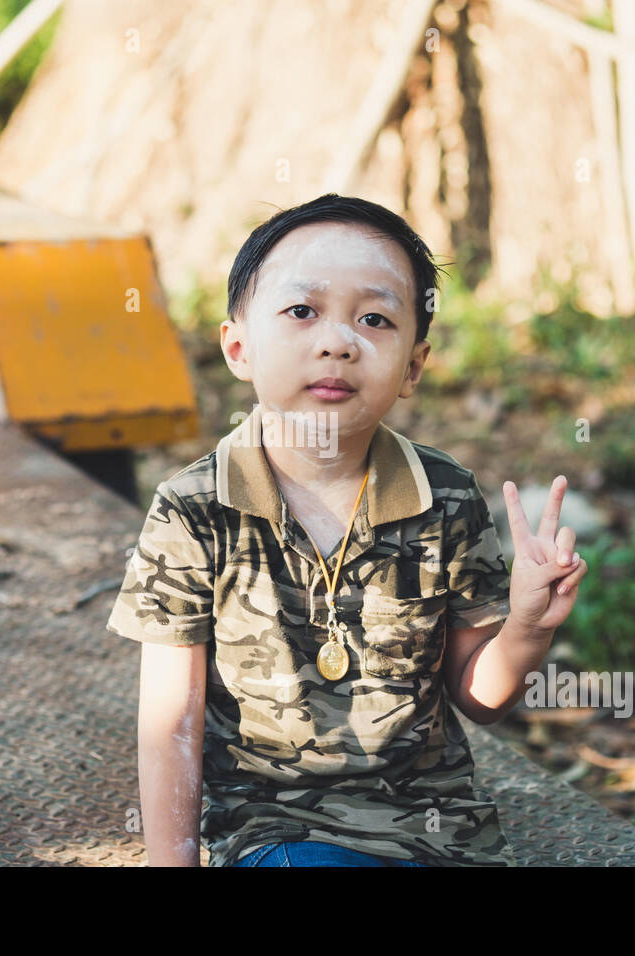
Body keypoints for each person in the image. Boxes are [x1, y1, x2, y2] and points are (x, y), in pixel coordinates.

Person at [106, 194, 588, 867]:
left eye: (375, 318)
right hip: (278, 824)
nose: (337, 340)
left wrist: (530, 626)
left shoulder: (445, 498)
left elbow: (478, 697)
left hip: (433, 827)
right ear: (239, 348)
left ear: (413, 365)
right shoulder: (194, 509)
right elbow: (170, 723)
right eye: (302, 311)